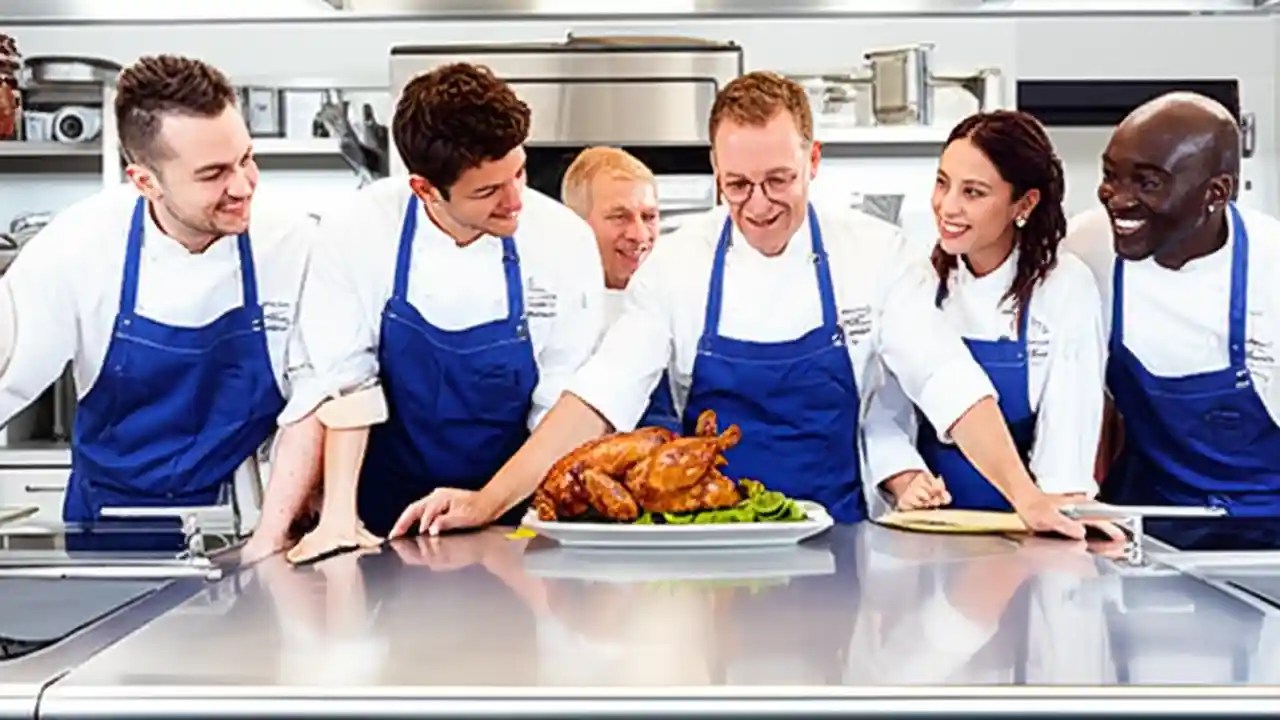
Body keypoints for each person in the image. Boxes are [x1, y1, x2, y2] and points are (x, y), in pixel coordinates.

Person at [391, 71, 1110, 540]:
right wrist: (488, 501)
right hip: (706, 545)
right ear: (715, 171)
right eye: (737, 185)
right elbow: (596, 402)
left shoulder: (874, 255)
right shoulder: (678, 266)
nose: (758, 205)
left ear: (813, 162)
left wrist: (1029, 498)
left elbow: (945, 380)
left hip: (839, 544)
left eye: (779, 180)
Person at [281, 62, 605, 564]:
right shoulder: (357, 230)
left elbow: (562, 409)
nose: (515, 201)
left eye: (519, 172)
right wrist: (339, 520)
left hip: (517, 517)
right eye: (487, 191)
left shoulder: (564, 241)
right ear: (425, 189)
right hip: (383, 526)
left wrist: (499, 508)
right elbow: (346, 386)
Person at [0, 55, 321, 555]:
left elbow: (316, 395)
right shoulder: (77, 246)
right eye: (213, 174)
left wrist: (270, 538)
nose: (242, 186)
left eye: (246, 159)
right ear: (145, 181)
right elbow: (6, 371)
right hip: (111, 527)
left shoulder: (292, 242)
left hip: (249, 525)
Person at [863, 110, 1106, 514]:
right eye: (943, 183)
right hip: (929, 523)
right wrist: (905, 477)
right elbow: (882, 409)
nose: (948, 207)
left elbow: (1068, 438)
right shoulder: (917, 280)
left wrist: (1048, 515)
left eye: (973, 192)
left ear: (1024, 203)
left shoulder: (1065, 286)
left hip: (1025, 525)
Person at [1063, 91, 1280, 516]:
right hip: (1150, 519)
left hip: (1268, 525)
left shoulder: (1271, 266)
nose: (1118, 198)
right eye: (1111, 175)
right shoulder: (1086, 249)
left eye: (1148, 183)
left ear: (1216, 192)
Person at [559, 145, 678, 430]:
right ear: (575, 225)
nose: (640, 235)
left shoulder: (672, 300)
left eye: (649, 217)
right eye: (619, 217)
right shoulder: (553, 311)